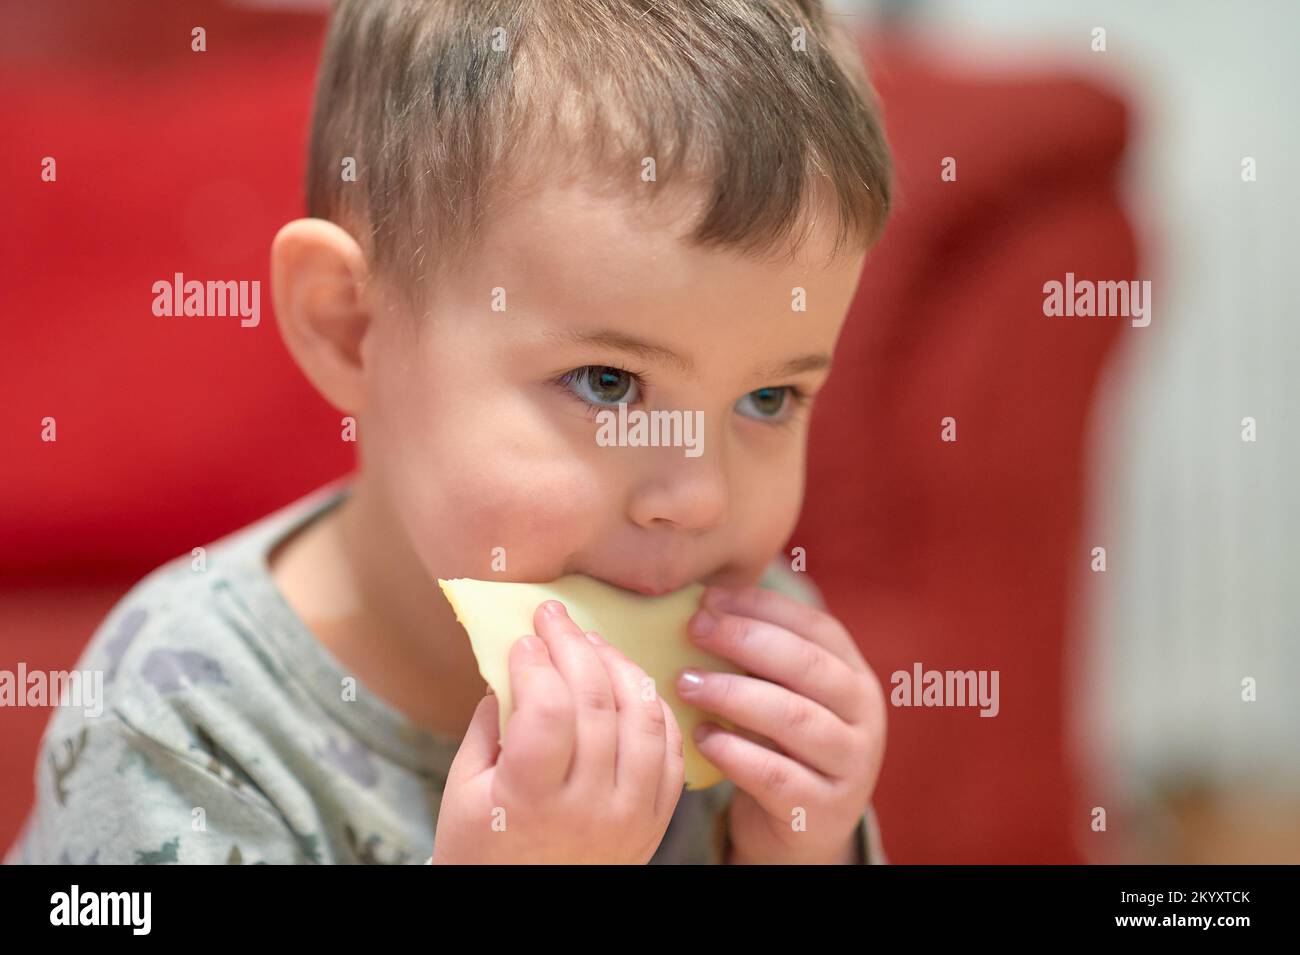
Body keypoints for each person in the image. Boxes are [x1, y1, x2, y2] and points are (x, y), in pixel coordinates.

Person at [7, 0, 892, 865]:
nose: (700, 500)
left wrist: (802, 848)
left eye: (769, 398)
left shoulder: (749, 668)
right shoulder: (184, 717)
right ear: (352, 327)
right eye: (608, 384)